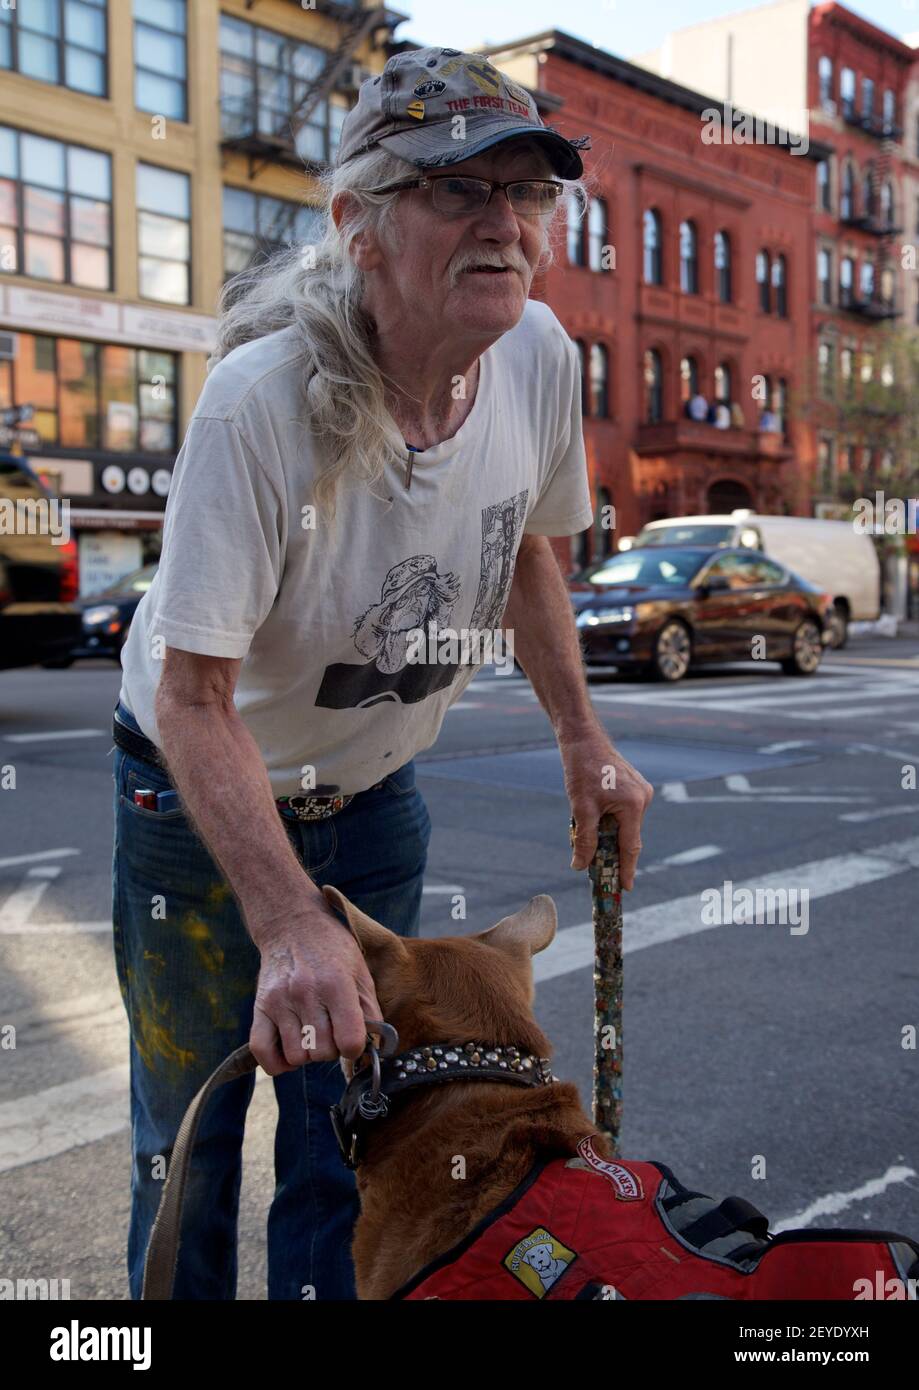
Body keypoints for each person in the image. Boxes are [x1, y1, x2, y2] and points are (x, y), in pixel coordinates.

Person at [111, 44, 653, 1301]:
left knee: (342, 1140)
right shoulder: (261, 404)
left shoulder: (537, 360)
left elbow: (523, 548)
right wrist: (287, 917)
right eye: (459, 191)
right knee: (186, 1138)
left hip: (372, 796)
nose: (504, 227)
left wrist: (585, 737)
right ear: (359, 223)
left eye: (527, 195)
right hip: (195, 799)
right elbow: (193, 696)